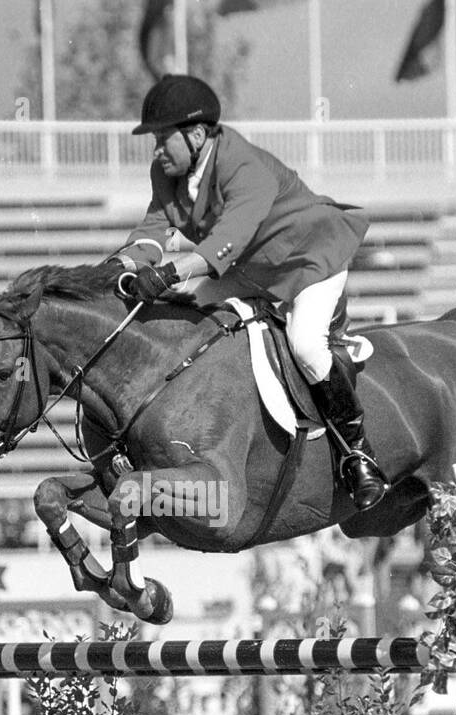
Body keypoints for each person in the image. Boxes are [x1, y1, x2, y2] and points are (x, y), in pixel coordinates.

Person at [107, 74, 389, 511]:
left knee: (306, 345)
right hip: (252, 270)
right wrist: (120, 264)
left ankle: (358, 454)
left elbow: (228, 240)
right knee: (183, 319)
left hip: (310, 257)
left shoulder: (243, 165)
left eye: (164, 139)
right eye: (155, 141)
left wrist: (166, 275)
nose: (157, 150)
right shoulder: (166, 173)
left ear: (197, 134)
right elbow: (152, 231)